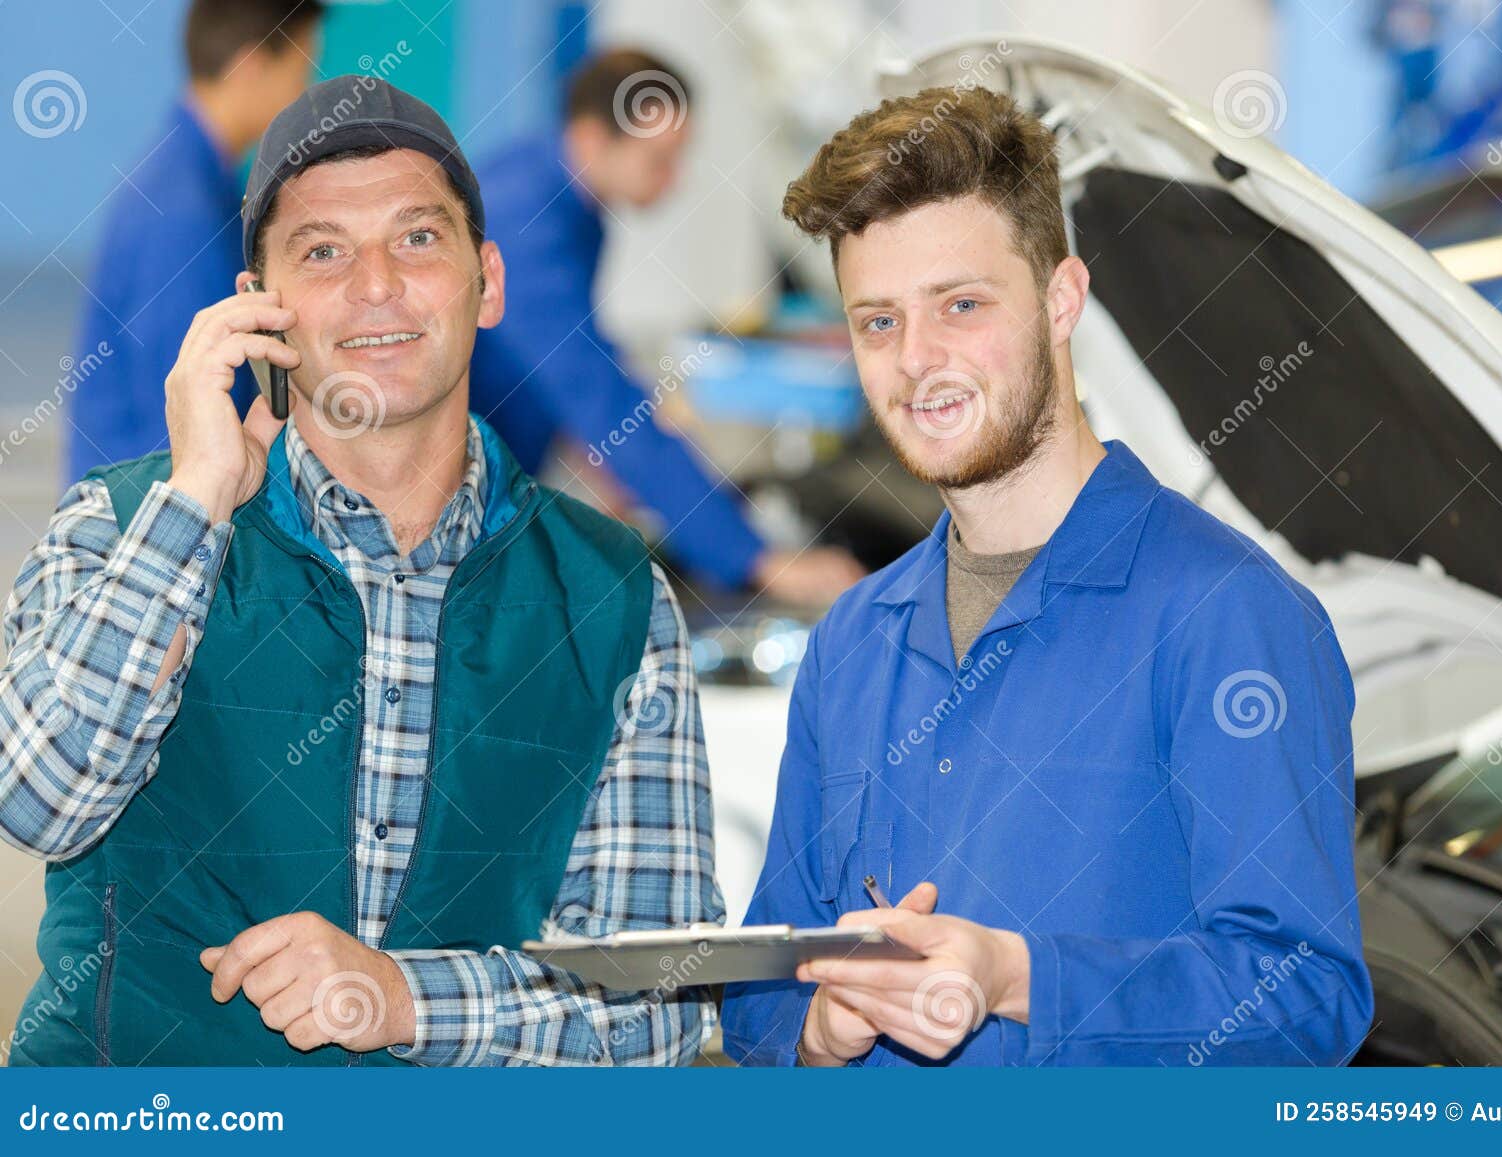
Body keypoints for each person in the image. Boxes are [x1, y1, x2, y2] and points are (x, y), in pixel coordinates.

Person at [0, 77, 721, 1067]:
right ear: (258, 306)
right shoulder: (121, 527)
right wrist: (198, 494)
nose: (375, 284)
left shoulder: (614, 600)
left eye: (418, 239)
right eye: (323, 250)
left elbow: (662, 1003)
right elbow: (38, 797)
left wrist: (408, 998)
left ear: (490, 279)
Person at [719, 87, 1374, 1066]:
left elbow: (1305, 995)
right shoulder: (851, 640)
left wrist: (1015, 974)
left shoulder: (1227, 618)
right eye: (878, 323)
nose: (919, 361)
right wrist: (818, 1024)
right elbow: (761, 991)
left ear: (1061, 298)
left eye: (962, 304)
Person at [471, 48, 864, 603]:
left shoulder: (558, 193)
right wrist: (756, 560)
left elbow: (544, 364)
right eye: (659, 161)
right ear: (591, 138)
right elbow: (594, 392)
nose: (674, 181)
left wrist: (600, 452)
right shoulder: (528, 220)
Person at [67, 0, 324, 484]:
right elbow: (179, 416)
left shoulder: (194, 180)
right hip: (146, 509)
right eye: (298, 70)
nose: (302, 93)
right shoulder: (181, 211)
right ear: (251, 67)